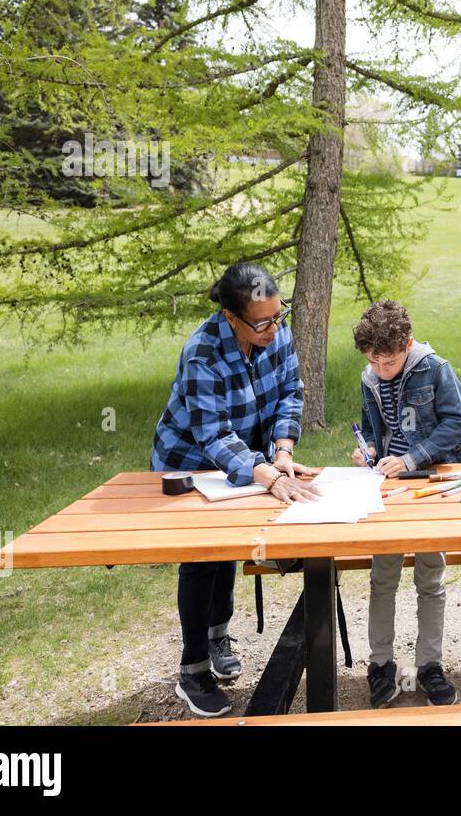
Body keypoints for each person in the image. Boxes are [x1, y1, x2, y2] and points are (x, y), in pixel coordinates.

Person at [152, 261, 321, 717]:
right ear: (231, 317)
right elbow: (212, 436)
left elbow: (291, 389)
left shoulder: (275, 330)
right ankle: (193, 671)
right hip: (190, 462)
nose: (273, 328)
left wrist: (282, 452)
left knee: (228, 549)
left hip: (248, 461)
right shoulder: (201, 353)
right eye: (262, 321)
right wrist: (265, 472)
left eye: (278, 315)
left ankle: (217, 632)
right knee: (203, 556)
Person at [350, 299, 461, 708]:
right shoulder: (370, 378)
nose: (381, 370)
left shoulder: (436, 369)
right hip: (388, 488)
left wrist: (411, 458)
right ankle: (381, 663)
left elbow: (456, 423)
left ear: (408, 343)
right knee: (382, 577)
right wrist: (366, 448)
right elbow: (371, 427)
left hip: (431, 483)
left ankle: (430, 665)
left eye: (390, 362)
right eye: (374, 362)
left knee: (430, 577)